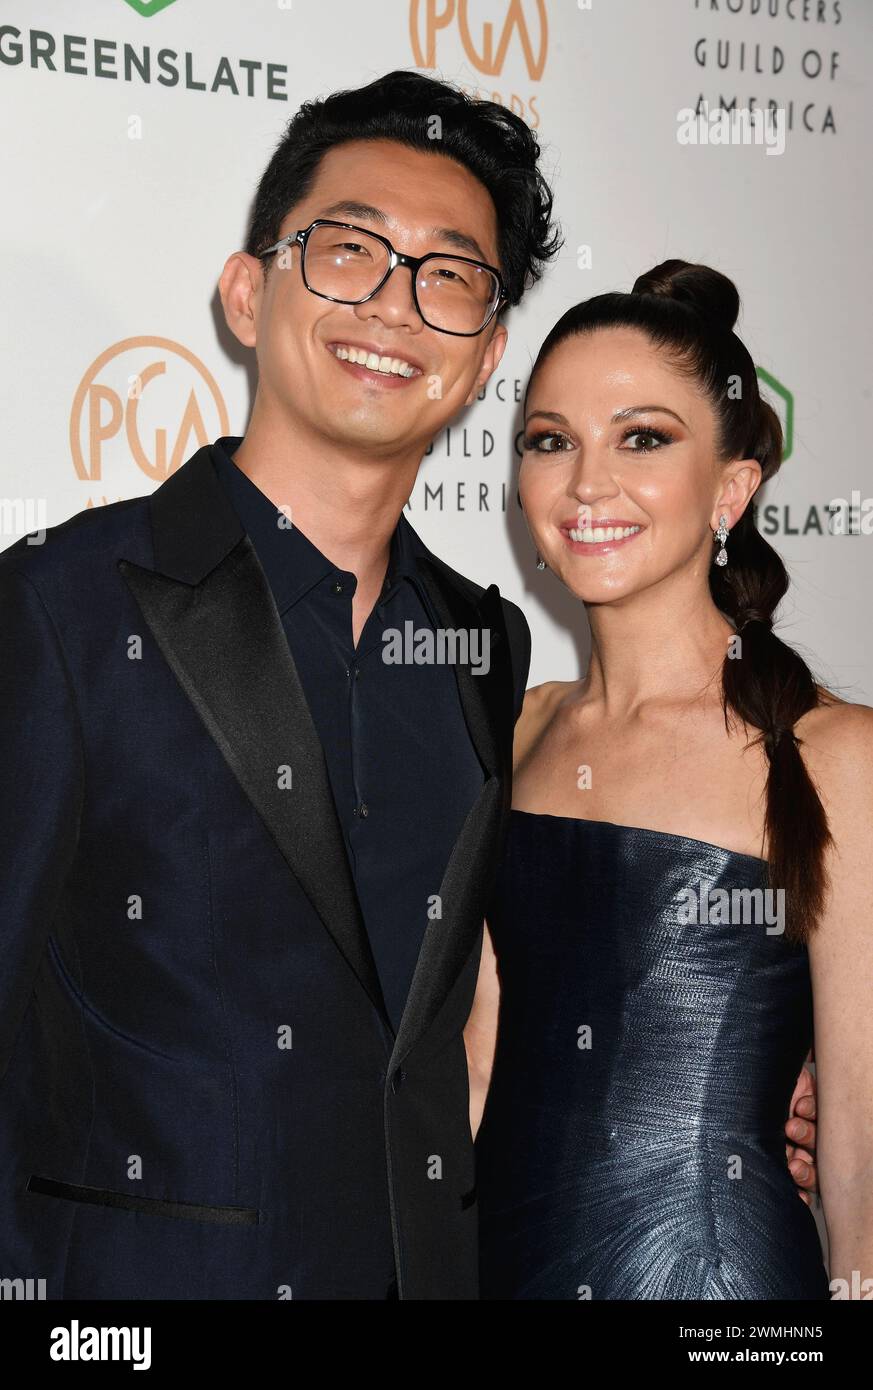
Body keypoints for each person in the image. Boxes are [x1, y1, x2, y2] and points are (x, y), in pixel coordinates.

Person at [0, 68, 815, 1299]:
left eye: (449, 275)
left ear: (486, 356)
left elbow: (484, 1012)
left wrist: (756, 1070)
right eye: (349, 250)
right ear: (244, 290)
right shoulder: (64, 606)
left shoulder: (485, 651)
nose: (395, 304)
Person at [465, 260, 872, 1299]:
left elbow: (862, 1146)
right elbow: (478, 1065)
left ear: (732, 488)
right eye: (552, 440)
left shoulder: (833, 755)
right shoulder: (514, 727)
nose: (587, 482)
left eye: (642, 438)